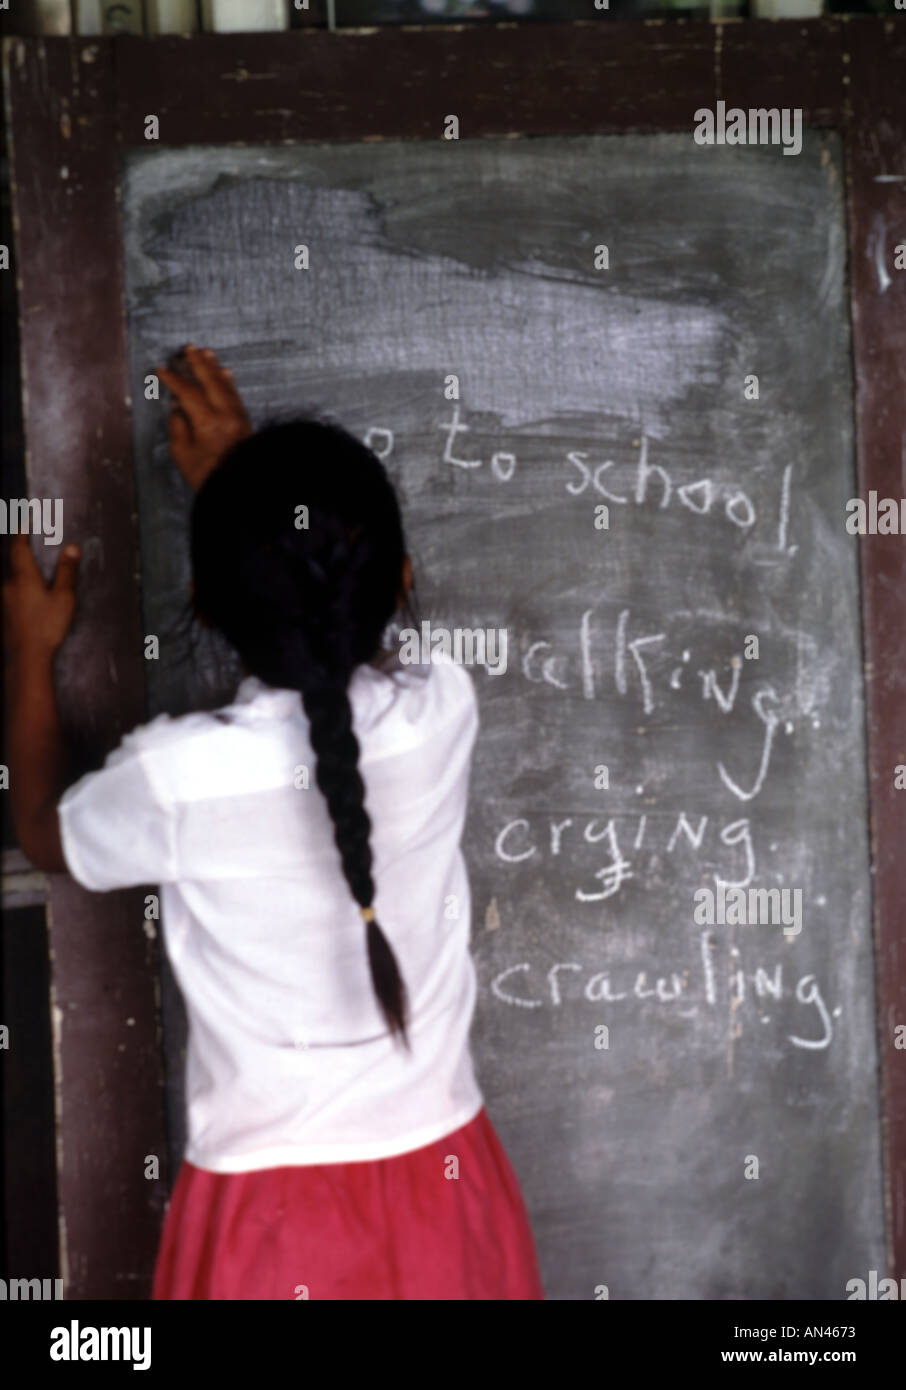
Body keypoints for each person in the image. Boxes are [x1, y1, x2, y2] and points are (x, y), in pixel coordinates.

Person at [3, 345, 543, 1301]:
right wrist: (251, 492)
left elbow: (45, 831)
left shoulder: (176, 778)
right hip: (447, 1192)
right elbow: (332, 625)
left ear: (206, 603)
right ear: (405, 577)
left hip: (271, 1222)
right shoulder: (441, 713)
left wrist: (30, 658)